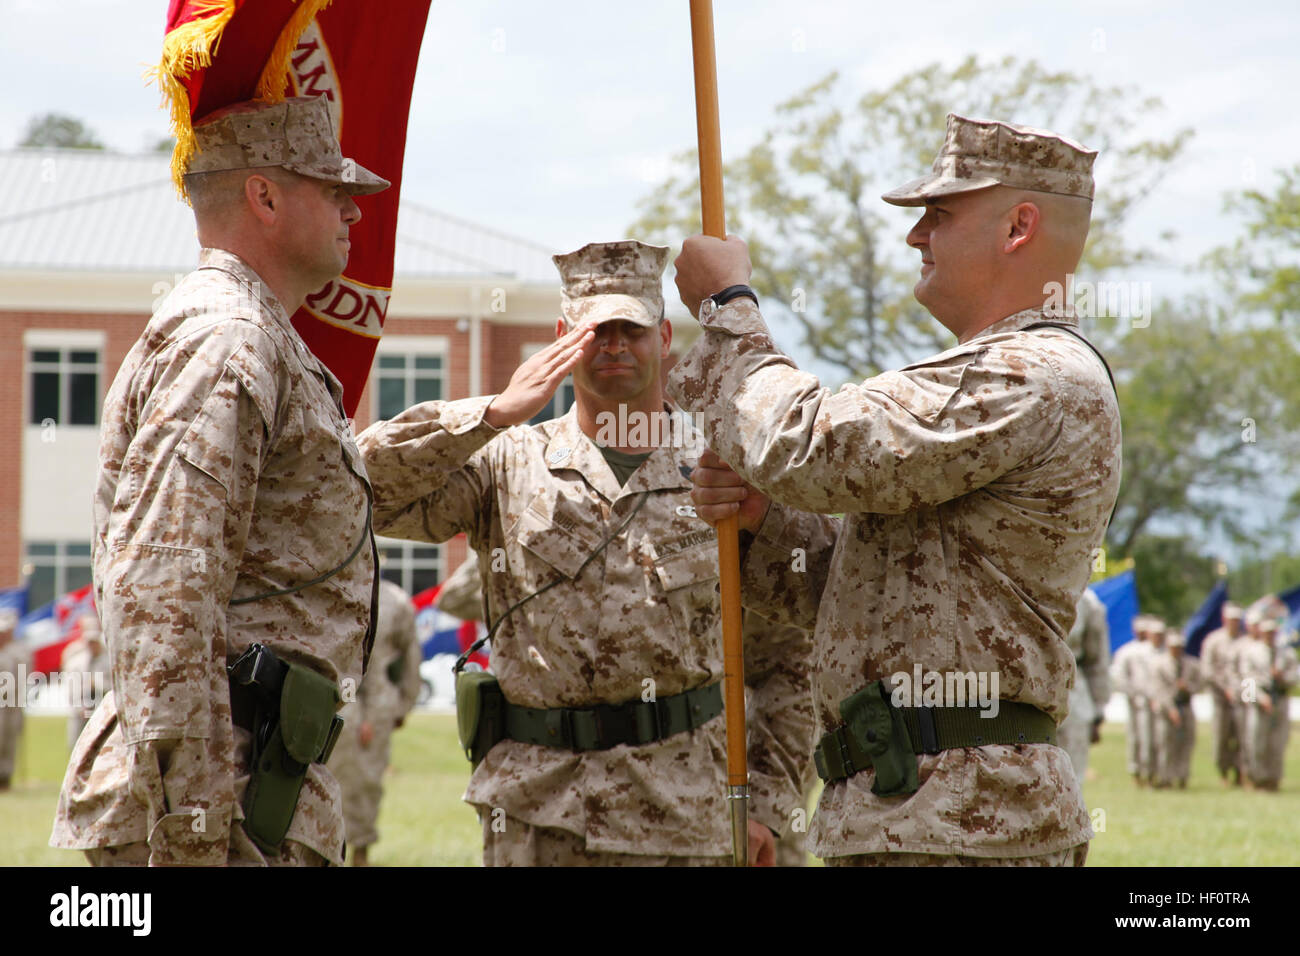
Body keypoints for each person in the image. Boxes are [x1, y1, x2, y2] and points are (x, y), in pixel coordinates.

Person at [667, 113, 1121, 866]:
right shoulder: (997, 372)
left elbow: (806, 445)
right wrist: (765, 522)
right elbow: (869, 599)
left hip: (963, 818)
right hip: (924, 808)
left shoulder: (1030, 373)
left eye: (939, 215)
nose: (916, 236)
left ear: (1018, 227)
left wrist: (727, 307)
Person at [357, 240, 814, 866]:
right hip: (537, 818)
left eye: (632, 330)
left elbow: (789, 657)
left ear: (664, 337)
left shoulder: (721, 473)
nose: (615, 346)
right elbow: (360, 486)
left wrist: (766, 802)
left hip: (686, 816)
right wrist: (490, 413)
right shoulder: (505, 464)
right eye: (595, 332)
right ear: (561, 339)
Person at [50, 95, 386, 866]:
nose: (354, 211)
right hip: (217, 803)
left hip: (249, 784)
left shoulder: (252, 334)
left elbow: (304, 500)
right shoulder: (229, 340)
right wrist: (195, 830)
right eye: (332, 190)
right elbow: (164, 588)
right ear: (264, 196)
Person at [329, 578, 422, 865]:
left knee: (360, 780)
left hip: (358, 702)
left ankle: (355, 851)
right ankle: (346, 850)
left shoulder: (391, 600)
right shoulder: (391, 598)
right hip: (349, 701)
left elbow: (409, 656)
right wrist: (402, 705)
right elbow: (410, 657)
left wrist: (401, 704)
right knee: (349, 780)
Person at [1239, 616, 1297, 791]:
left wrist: (1282, 678)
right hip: (1259, 701)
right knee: (1256, 741)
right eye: (1266, 632)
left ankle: (1274, 778)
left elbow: (1295, 677)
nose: (1269, 635)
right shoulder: (1251, 652)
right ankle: (1257, 777)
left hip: (1280, 699)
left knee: (1278, 742)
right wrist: (1259, 698)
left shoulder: (1286, 653)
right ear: (1261, 632)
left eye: (1272, 632)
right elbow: (1246, 679)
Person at [1059, 588, 1111, 783]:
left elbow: (1097, 660)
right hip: (1020, 696)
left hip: (1072, 693)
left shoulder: (1087, 600)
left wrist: (1099, 708)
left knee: (1072, 777)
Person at [1199, 602, 1246, 785]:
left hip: (1242, 698)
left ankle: (1241, 772)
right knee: (1221, 736)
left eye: (1237, 620)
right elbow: (1207, 670)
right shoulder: (1213, 641)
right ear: (1224, 619)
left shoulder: (1245, 642)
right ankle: (1223, 772)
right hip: (1221, 698)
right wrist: (1224, 688)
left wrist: (1249, 697)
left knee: (1242, 736)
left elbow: (1250, 674)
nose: (1234, 623)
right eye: (1231, 619)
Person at [1149, 628, 1199, 789]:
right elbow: (1158, 690)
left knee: (1186, 743)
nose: (1176, 650)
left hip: (1186, 705)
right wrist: (1170, 709)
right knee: (1165, 744)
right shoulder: (1159, 664)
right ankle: (1165, 777)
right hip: (1166, 709)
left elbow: (1201, 683)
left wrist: (1188, 688)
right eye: (1173, 647)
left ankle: (1182, 776)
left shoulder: (1192, 664)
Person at [1111, 616, 1157, 786]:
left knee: (1155, 738)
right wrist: (1133, 693)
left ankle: (1153, 772)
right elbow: (1119, 677)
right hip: (1135, 701)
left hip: (1156, 701)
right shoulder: (1126, 651)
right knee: (1136, 737)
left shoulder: (1156, 650)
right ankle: (1136, 772)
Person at [59, 614, 110, 752]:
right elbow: (69, 684)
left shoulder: (108, 658)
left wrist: (97, 683)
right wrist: (78, 706)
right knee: (76, 747)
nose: (92, 645)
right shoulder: (75, 658)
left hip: (101, 709)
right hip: (79, 710)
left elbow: (112, 686)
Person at [0, 611, 28, 791]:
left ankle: (5, 777)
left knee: (9, 740)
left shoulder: (19, 651)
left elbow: (24, 675)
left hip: (12, 702)